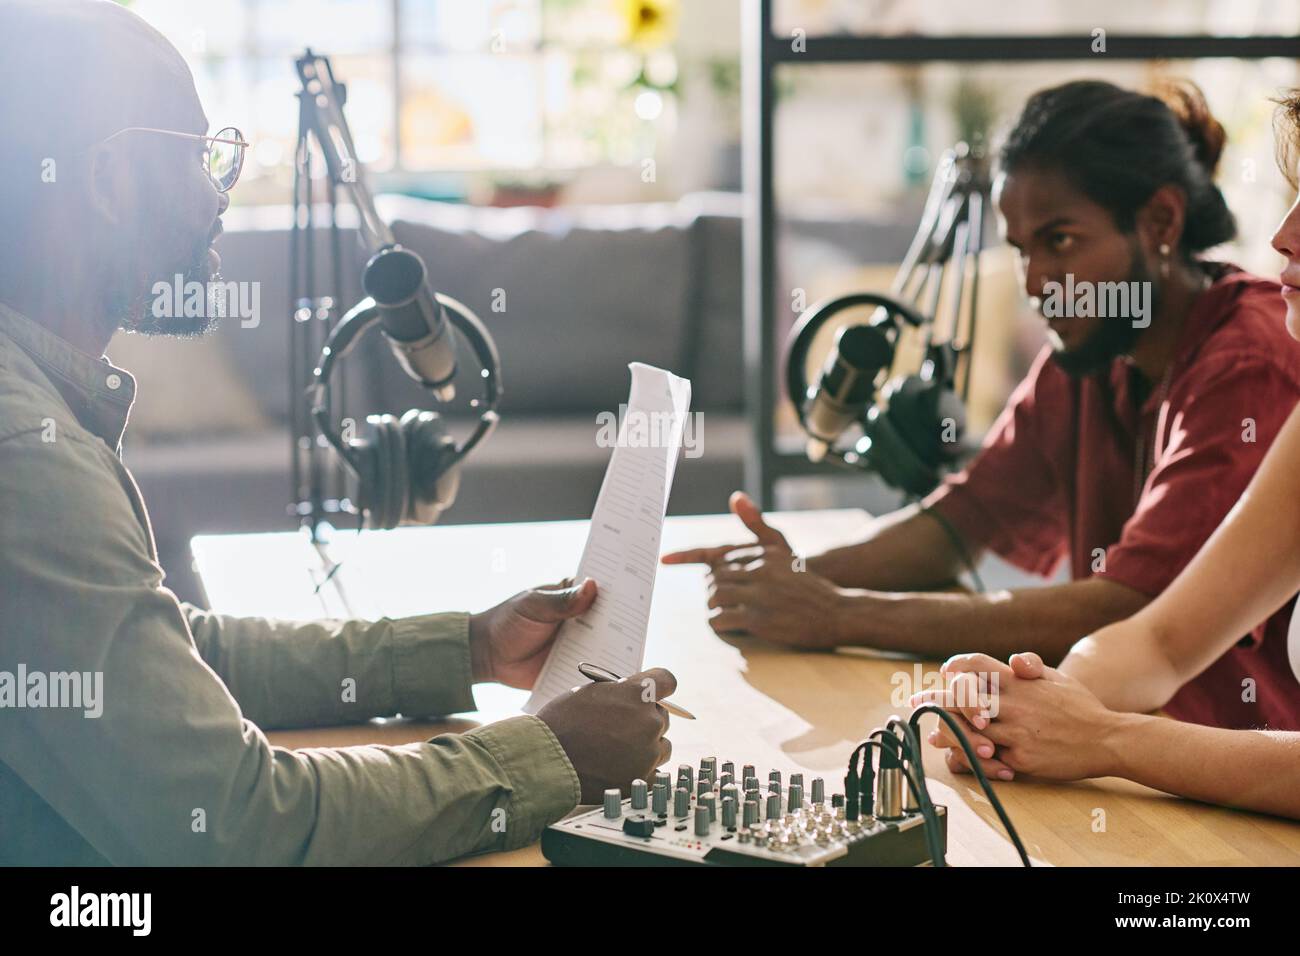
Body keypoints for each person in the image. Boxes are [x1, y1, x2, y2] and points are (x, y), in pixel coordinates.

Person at [0, 0, 674, 865]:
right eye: (201, 153)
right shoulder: (30, 460)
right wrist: (551, 756)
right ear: (107, 183)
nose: (219, 190)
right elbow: (236, 822)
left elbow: (168, 654)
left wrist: (466, 645)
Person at [665, 78, 1300, 733]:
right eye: (1021, 249)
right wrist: (783, 577)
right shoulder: (1090, 347)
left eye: (1060, 242)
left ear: (1161, 222)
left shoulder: (1249, 361)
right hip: (1115, 744)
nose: (1033, 283)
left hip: (1221, 768)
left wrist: (835, 613)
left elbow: (1124, 610)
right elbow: (961, 520)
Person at [912, 92, 1300, 820]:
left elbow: (1132, 614)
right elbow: (1156, 642)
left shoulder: (1250, 357)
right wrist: (1026, 707)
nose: (1282, 235)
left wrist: (1109, 738)